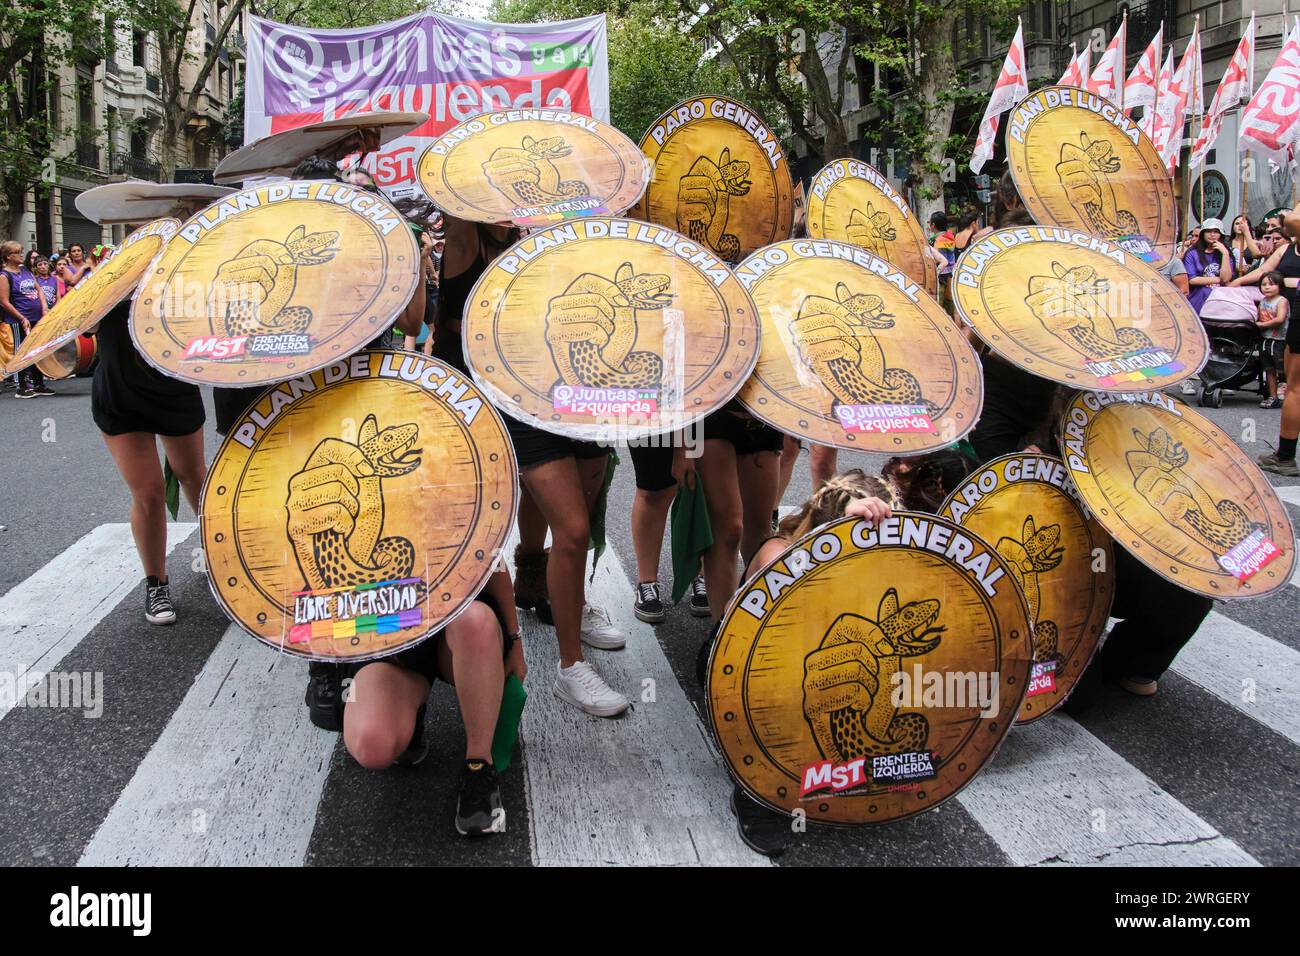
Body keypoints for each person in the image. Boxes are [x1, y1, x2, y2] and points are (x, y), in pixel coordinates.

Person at [338, 578, 525, 836]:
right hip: (388, 637)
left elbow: (495, 562)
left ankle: (479, 765)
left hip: (456, 622)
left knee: (475, 621)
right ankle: (410, 705)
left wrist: (515, 640)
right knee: (372, 744)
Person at [1231, 215, 1300, 476]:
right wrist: (1237, 282)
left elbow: (1293, 218)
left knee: (1296, 389)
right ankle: (1283, 456)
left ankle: (1285, 457)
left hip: (1294, 315)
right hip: (1289, 319)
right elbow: (1262, 270)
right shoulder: (1285, 249)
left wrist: (1292, 283)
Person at [0, 240, 53, 398]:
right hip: (19, 319)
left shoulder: (25, 270)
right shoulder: (4, 275)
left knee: (36, 349)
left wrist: (44, 308)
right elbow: (3, 301)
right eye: (18, 253)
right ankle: (21, 386)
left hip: (36, 316)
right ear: (9, 256)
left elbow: (39, 289)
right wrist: (21, 317)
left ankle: (38, 383)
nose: (22, 255)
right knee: (21, 350)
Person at [1183, 218, 1233, 314]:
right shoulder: (1192, 253)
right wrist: (1220, 279)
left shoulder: (1226, 252)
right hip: (1198, 297)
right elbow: (1192, 279)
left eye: (1216, 232)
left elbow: (1226, 278)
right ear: (1203, 234)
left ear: (1221, 234)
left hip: (1221, 298)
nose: (1212, 234)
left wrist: (1225, 254)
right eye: (1209, 231)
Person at [1256, 271, 1289, 410]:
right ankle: (1273, 396)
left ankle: (1291, 394)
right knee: (1269, 368)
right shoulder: (1262, 301)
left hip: (1279, 339)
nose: (1267, 287)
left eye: (1271, 284)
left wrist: (1261, 324)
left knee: (1283, 368)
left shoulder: (1282, 301)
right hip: (1265, 338)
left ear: (1280, 286)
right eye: (1264, 284)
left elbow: (1280, 319)